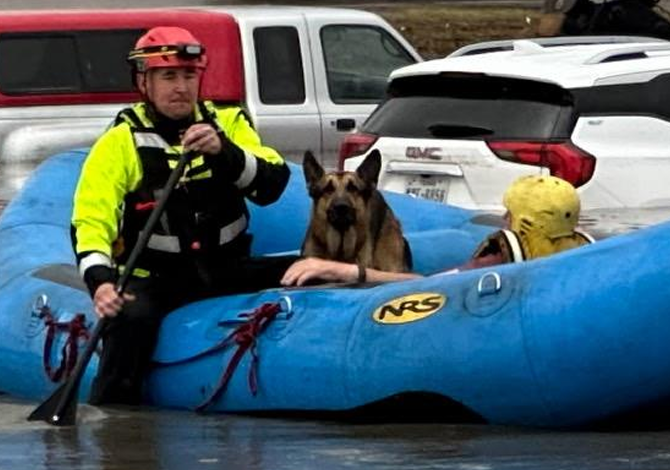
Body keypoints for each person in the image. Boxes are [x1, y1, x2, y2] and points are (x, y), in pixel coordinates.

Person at [72, 26, 291, 405]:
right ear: (145, 83)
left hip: (226, 267)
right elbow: (91, 220)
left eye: (189, 76)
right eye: (168, 76)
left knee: (308, 271)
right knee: (130, 319)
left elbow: (271, 186)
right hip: (157, 279)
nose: (181, 87)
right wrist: (101, 282)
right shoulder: (121, 142)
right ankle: (116, 434)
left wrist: (224, 151)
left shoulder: (229, 124)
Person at [281, 174, 595, 286]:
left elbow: (422, 285)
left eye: (509, 213)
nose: (503, 218)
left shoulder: (494, 262)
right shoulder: (583, 256)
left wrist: (344, 272)